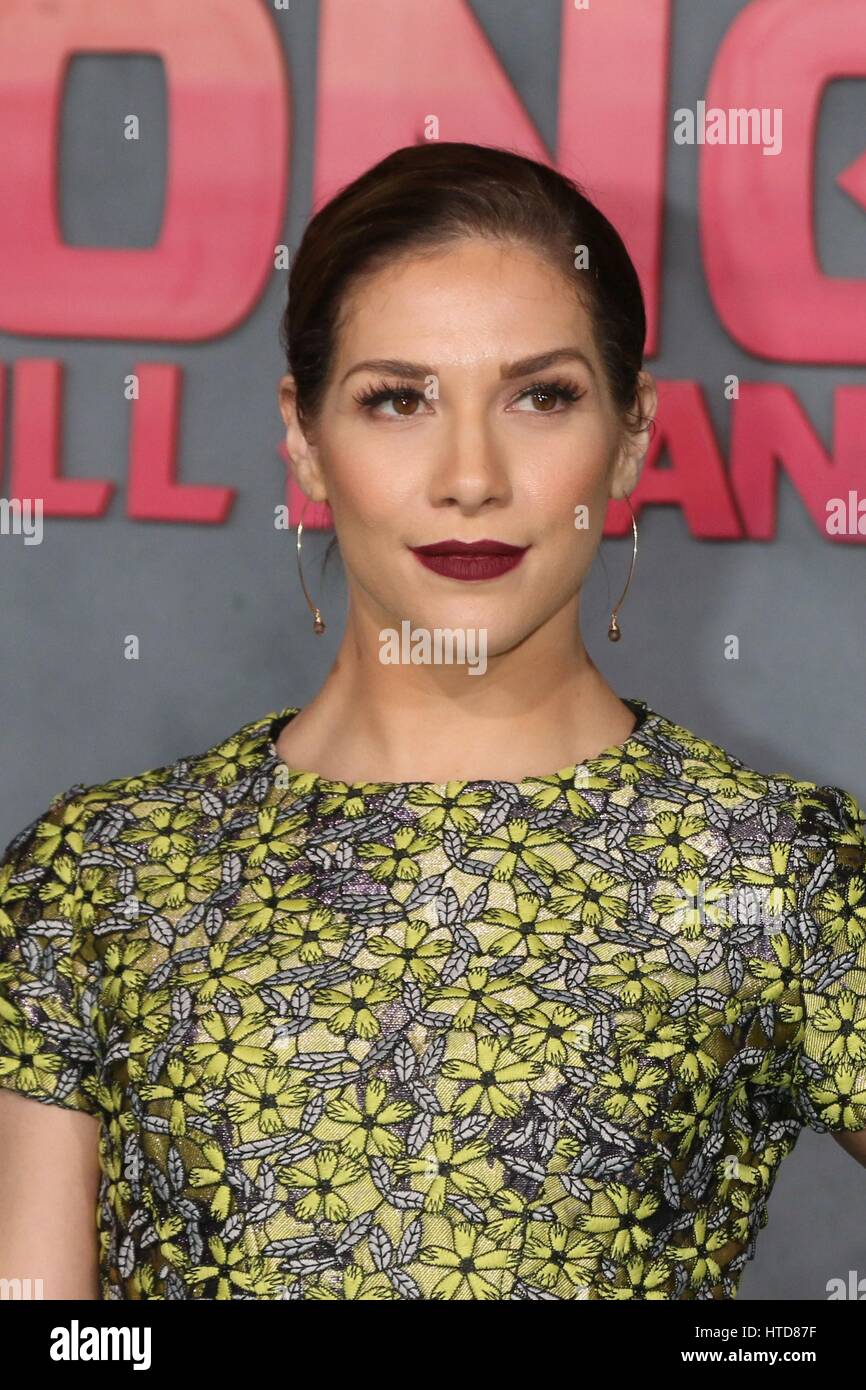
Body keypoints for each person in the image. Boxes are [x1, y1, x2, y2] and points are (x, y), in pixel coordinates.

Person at [1, 141, 864, 1302]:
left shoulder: (773, 873)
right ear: (303, 436)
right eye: (397, 399)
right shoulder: (105, 874)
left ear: (629, 435)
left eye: (539, 395)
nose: (470, 474)